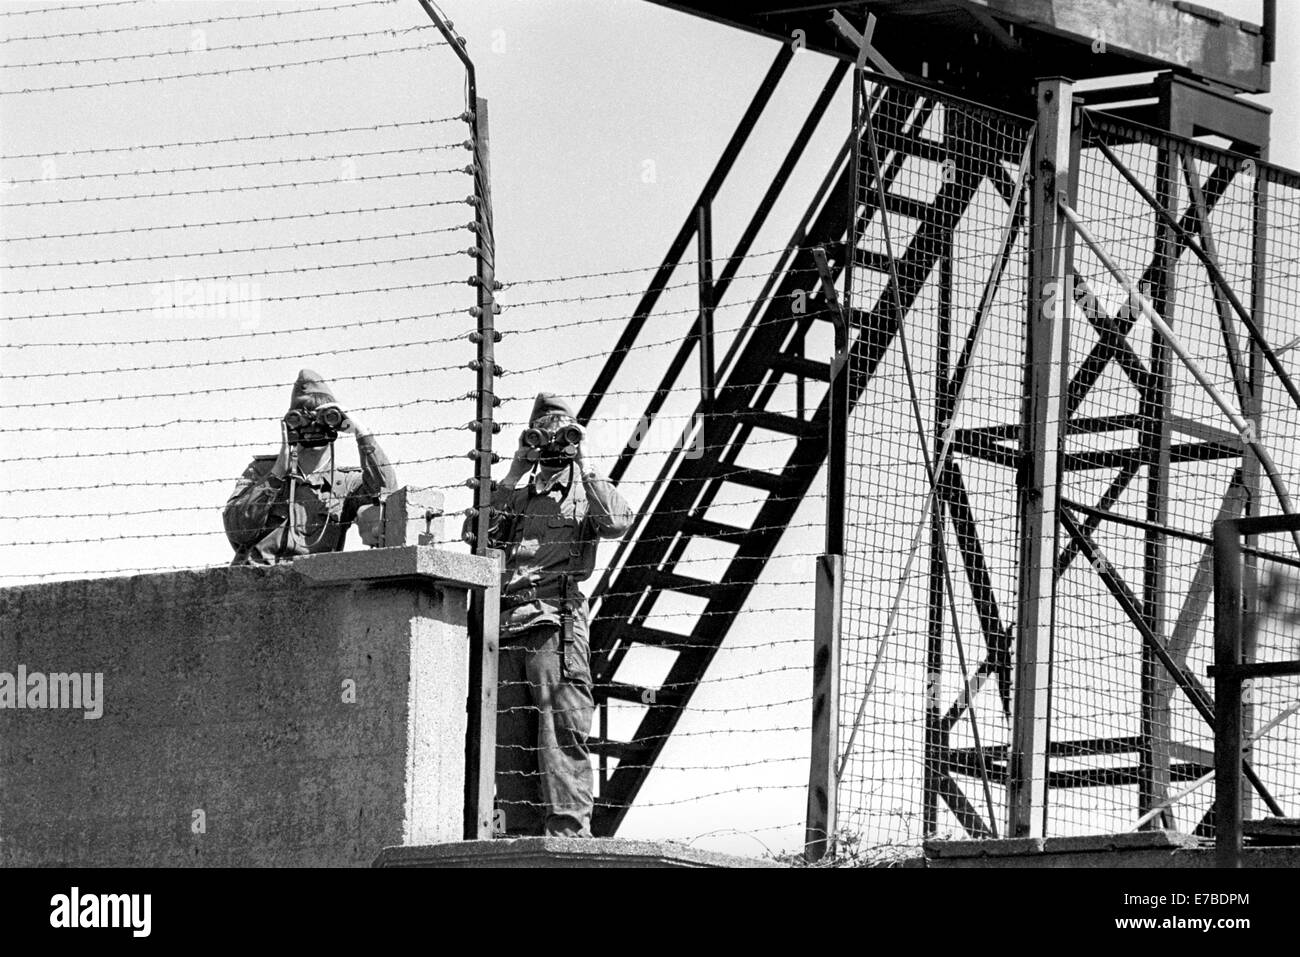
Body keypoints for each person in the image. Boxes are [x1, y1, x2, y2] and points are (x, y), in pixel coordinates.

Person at [469, 392, 634, 837]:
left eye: (564, 434)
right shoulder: (518, 498)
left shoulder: (583, 492)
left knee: (560, 735)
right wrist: (514, 470)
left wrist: (585, 460)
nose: (555, 443)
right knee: (511, 746)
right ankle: (522, 845)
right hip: (505, 628)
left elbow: (619, 522)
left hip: (554, 624)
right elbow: (476, 534)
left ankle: (567, 840)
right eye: (546, 434)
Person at [224, 368, 398, 565]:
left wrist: (361, 432)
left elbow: (388, 495)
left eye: (325, 418)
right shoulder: (261, 471)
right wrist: (279, 471)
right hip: (257, 585)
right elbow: (237, 531)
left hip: (315, 586)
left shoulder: (345, 483)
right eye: (304, 419)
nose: (314, 426)